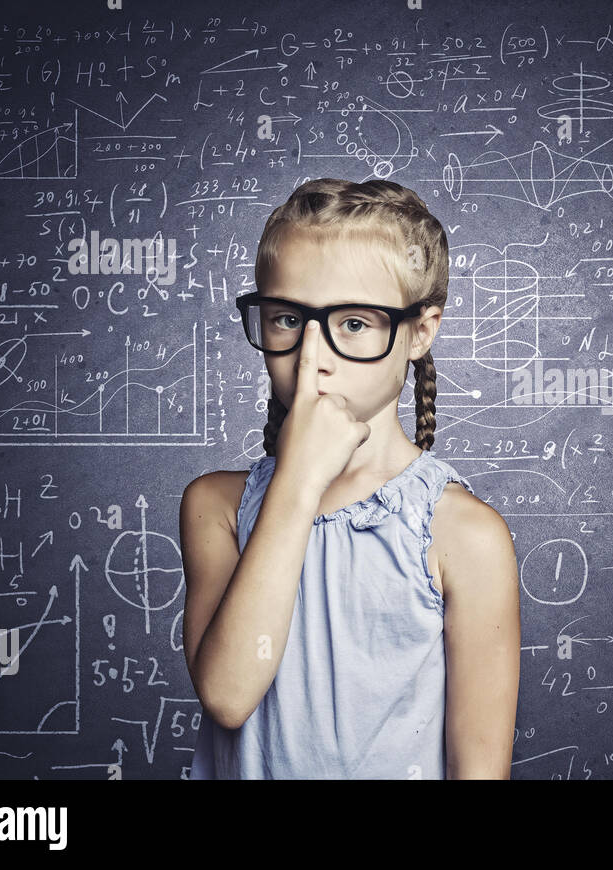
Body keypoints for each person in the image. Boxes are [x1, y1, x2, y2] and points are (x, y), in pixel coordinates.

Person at [179, 179, 520, 778]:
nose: (312, 356)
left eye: (355, 323)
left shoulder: (464, 535)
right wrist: (299, 479)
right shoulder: (217, 507)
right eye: (287, 318)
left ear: (419, 331)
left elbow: (480, 768)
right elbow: (229, 696)